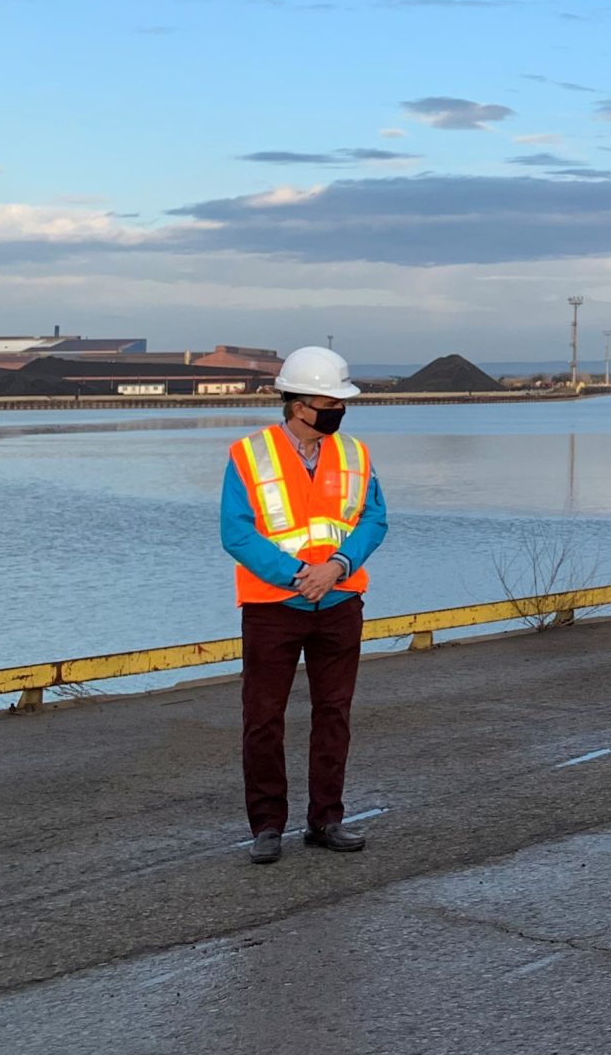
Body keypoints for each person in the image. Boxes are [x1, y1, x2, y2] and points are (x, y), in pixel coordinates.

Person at [221, 345, 389, 865]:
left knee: (334, 712)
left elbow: (374, 520)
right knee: (263, 718)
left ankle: (326, 820)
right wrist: (297, 576)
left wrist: (335, 567)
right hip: (274, 606)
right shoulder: (248, 455)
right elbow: (236, 533)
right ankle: (267, 827)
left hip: (338, 601)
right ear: (298, 406)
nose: (339, 410)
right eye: (329, 401)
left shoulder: (355, 455)